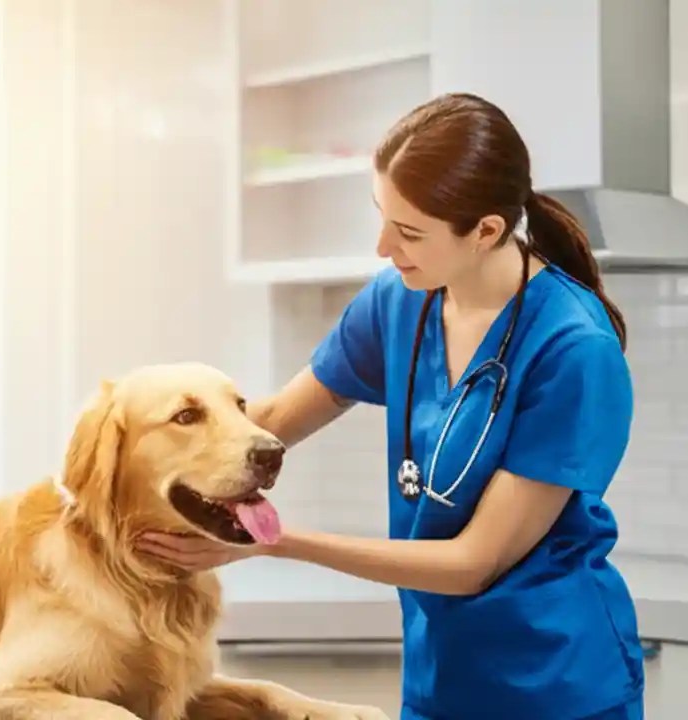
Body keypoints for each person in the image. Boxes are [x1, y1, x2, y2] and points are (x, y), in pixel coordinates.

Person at [136, 92, 644, 720]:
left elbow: (472, 563)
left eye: (407, 232)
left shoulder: (573, 349)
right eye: (383, 216)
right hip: (440, 678)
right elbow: (265, 428)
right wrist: (135, 467)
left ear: (485, 231)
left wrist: (273, 541)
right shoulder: (400, 301)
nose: (382, 246)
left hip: (556, 687)